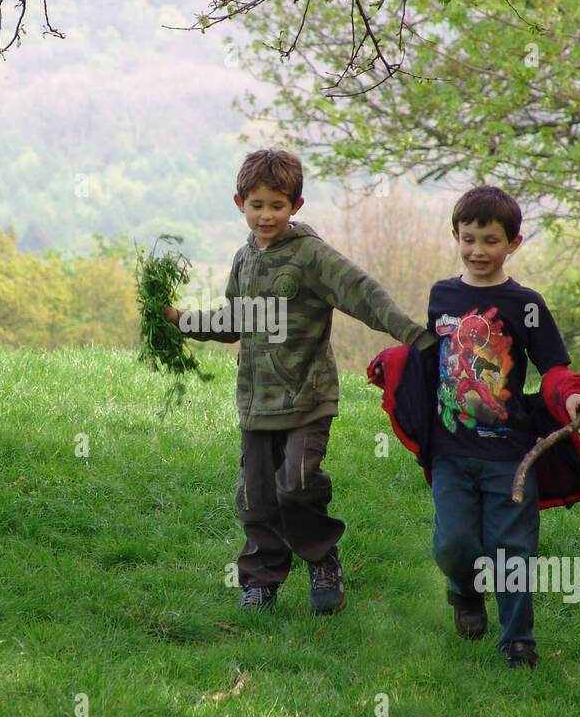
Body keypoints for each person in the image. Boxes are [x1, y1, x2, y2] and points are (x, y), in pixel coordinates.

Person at [163, 149, 436, 614]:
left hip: (308, 396)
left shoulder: (311, 256)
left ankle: (321, 555)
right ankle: (261, 582)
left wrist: (413, 334)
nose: (266, 215)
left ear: (296, 206)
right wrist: (178, 320)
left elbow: (362, 293)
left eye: (277, 205)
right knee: (255, 496)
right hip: (255, 402)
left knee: (298, 482)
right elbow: (234, 322)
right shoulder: (243, 260)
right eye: (257, 205)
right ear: (239, 203)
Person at [367, 186, 580, 668]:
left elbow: (555, 369)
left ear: (514, 243)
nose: (478, 251)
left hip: (510, 455)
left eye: (491, 241)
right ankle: (464, 590)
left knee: (513, 549)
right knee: (453, 543)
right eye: (469, 239)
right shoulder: (443, 295)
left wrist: (576, 394)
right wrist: (394, 366)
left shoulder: (527, 304)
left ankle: (518, 640)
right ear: (455, 236)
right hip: (450, 451)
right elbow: (432, 357)